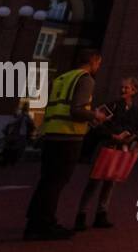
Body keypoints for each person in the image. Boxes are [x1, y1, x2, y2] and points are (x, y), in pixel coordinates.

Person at [24, 48, 108, 240]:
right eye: (99, 63)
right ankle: (44, 225)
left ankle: (34, 223)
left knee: (46, 181)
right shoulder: (85, 79)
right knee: (56, 182)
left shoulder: (62, 78)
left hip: (52, 134)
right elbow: (77, 110)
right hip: (68, 137)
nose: (98, 67)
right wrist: (95, 115)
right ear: (93, 60)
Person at [75, 76, 138, 230]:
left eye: (126, 88)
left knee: (111, 181)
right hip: (107, 145)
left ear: (134, 91)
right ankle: (81, 215)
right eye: (122, 87)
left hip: (123, 148)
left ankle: (101, 214)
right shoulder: (112, 106)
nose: (122, 90)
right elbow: (96, 122)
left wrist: (132, 136)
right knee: (94, 180)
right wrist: (112, 135)